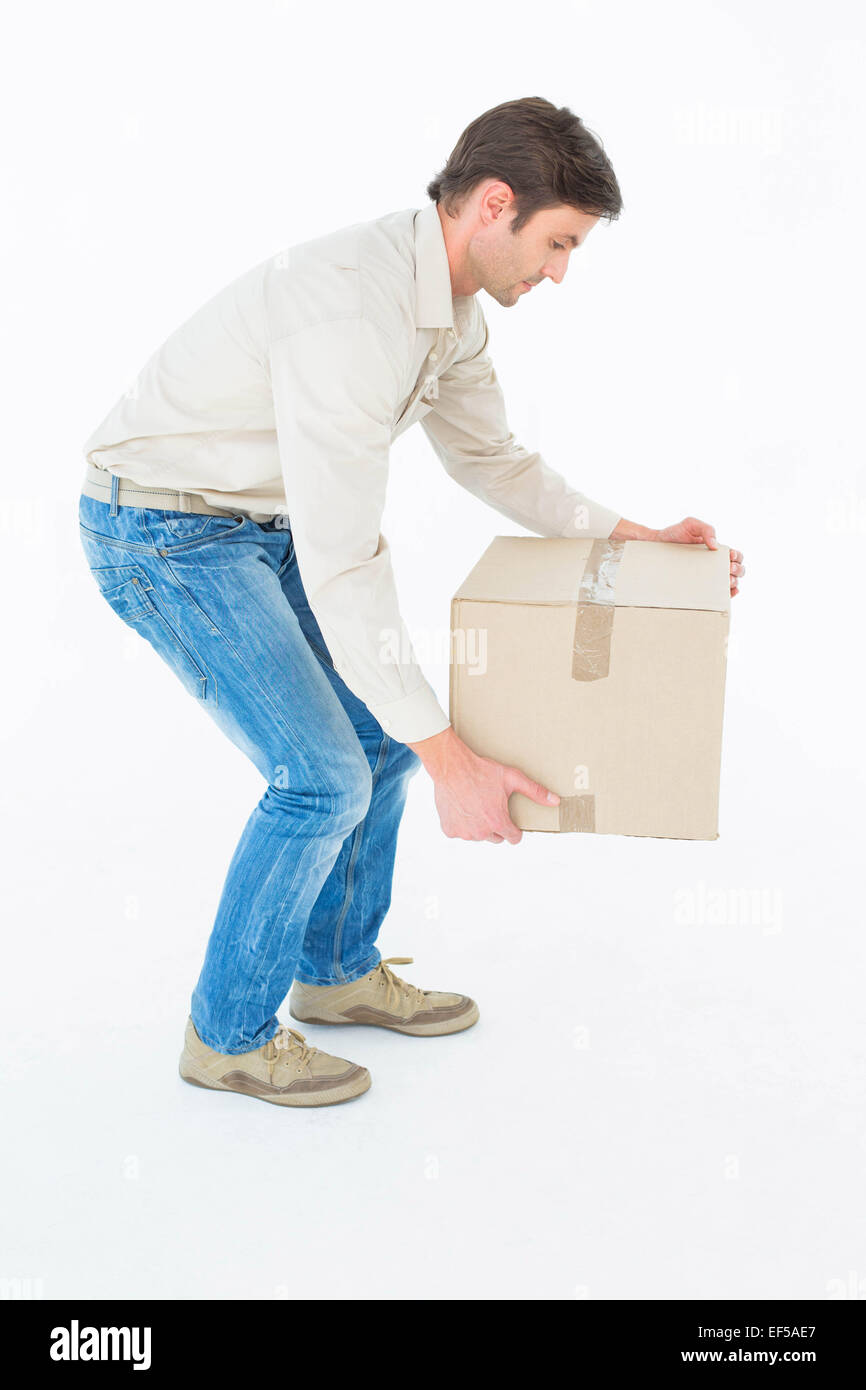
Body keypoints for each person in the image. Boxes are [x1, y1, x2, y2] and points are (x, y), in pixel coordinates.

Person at [78, 96, 745, 1108]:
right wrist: (456, 763)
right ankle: (225, 1034)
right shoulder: (354, 313)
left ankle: (336, 973)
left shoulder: (451, 312)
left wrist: (626, 531)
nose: (560, 271)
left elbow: (491, 458)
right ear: (492, 204)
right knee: (319, 777)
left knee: (376, 742)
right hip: (163, 535)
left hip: (255, 528)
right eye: (557, 242)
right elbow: (347, 561)